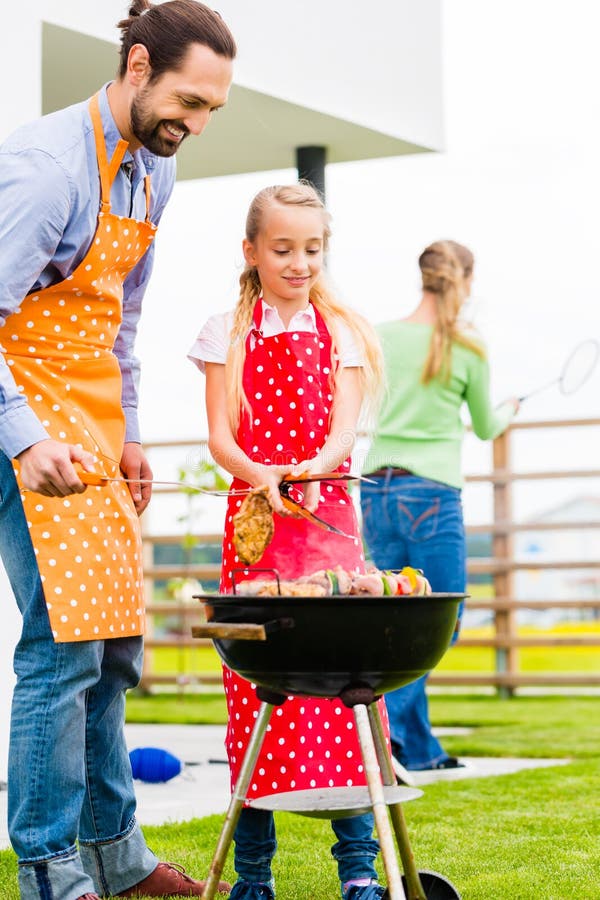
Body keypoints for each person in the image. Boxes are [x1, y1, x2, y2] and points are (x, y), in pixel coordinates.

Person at [0, 2, 235, 898]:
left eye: (212, 108)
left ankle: (116, 856)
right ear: (137, 66)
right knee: (63, 650)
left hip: (89, 415)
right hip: (15, 409)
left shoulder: (151, 170)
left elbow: (119, 320)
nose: (198, 123)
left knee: (111, 647)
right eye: (189, 100)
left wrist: (127, 432)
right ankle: (52, 873)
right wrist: (24, 443)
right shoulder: (43, 168)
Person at [188, 183, 390, 900]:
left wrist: (307, 469)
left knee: (345, 689)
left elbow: (341, 434)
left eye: (312, 249)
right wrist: (262, 475)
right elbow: (220, 438)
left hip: (327, 521)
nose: (300, 263)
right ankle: (253, 877)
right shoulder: (225, 331)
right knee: (258, 694)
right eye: (283, 249)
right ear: (252, 252)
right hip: (257, 526)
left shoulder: (345, 333)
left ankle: (361, 869)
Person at [360, 240, 519, 775]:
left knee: (391, 617)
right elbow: (485, 425)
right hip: (431, 490)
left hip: (376, 487)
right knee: (439, 620)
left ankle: (410, 743)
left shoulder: (382, 336)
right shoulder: (467, 347)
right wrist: (510, 410)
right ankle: (400, 740)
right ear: (465, 280)